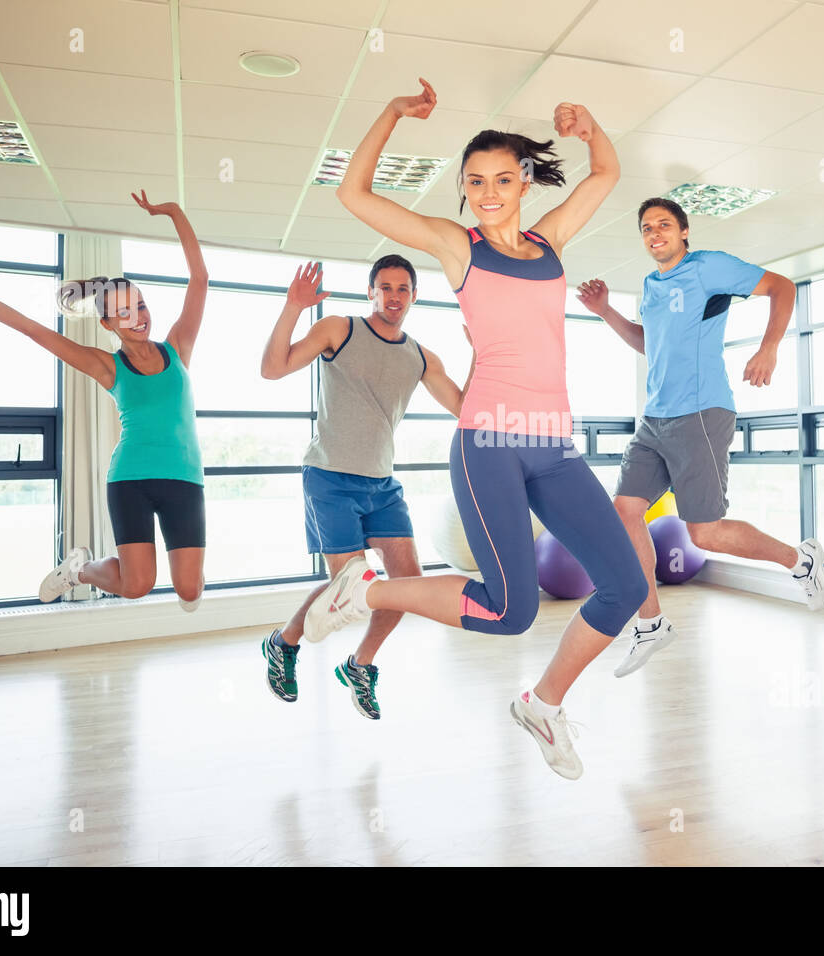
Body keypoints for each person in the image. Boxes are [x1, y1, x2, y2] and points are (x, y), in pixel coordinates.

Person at [316, 77, 646, 779]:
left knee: (623, 585)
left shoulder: (550, 243)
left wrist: (590, 124)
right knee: (510, 610)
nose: (490, 191)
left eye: (503, 178)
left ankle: (543, 704)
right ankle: (363, 592)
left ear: (524, 182)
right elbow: (354, 194)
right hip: (488, 442)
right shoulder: (455, 245)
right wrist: (391, 111)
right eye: (475, 181)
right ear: (464, 189)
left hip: (554, 447)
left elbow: (608, 172)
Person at [577, 197, 824, 678]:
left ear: (685, 231)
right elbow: (650, 345)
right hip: (654, 418)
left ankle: (800, 560)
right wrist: (606, 311)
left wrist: (769, 347)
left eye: (664, 226)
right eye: (647, 228)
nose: (655, 234)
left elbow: (781, 286)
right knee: (624, 511)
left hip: (700, 412)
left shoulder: (707, 268)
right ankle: (650, 623)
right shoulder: (651, 285)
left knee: (705, 532)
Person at [0, 191, 210, 610]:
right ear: (108, 322)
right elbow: (32, 330)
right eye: (124, 311)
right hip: (130, 480)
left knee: (190, 590)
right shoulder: (108, 367)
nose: (138, 316)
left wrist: (174, 212)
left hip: (185, 478)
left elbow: (199, 279)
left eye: (141, 305)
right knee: (137, 585)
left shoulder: (178, 348)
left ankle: (180, 566)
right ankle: (76, 571)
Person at [257, 255, 473, 719]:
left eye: (402, 289)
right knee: (348, 585)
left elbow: (465, 408)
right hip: (330, 476)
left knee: (407, 585)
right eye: (385, 287)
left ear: (414, 296)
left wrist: (481, 353)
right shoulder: (340, 329)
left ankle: (361, 664)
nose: (394, 296)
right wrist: (294, 307)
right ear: (370, 292)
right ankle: (284, 642)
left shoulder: (419, 355)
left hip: (382, 484)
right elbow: (272, 370)